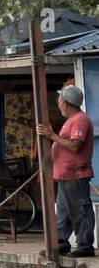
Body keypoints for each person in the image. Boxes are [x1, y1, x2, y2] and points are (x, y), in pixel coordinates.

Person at [37, 84, 95, 257]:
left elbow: (75, 146)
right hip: (65, 174)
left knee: (80, 210)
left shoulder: (80, 120)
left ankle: (85, 246)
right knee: (63, 211)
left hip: (75, 173)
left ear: (66, 103)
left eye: (60, 100)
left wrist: (52, 136)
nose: (59, 103)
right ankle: (61, 243)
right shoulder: (71, 121)